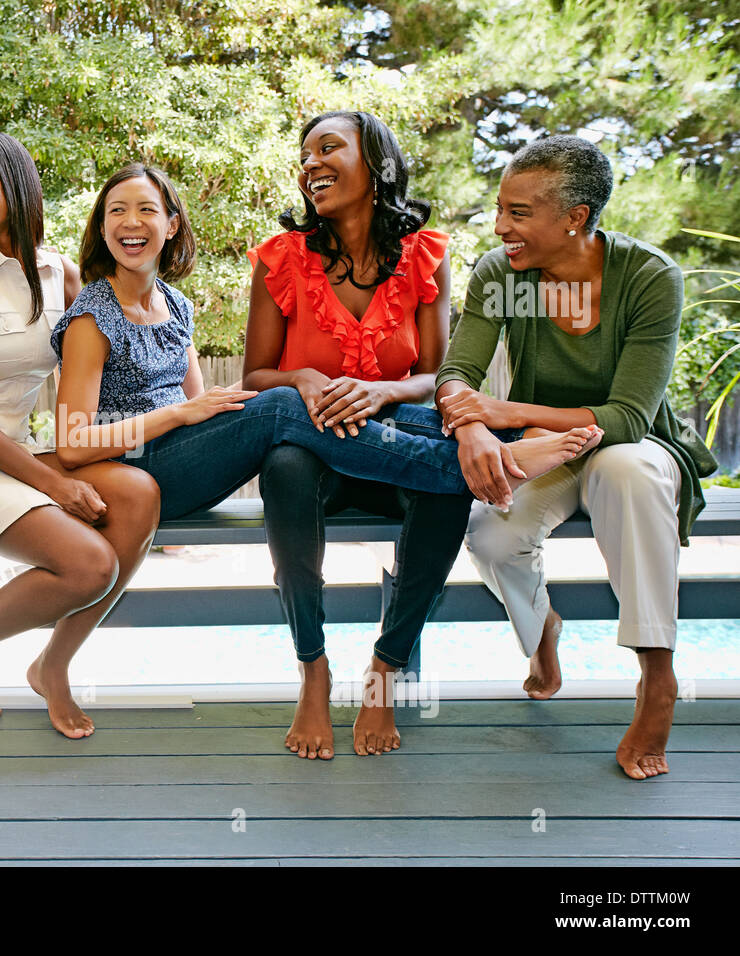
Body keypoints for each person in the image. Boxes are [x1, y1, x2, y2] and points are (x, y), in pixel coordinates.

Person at [52, 162, 602, 748]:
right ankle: (494, 457)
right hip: (136, 474)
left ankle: (495, 445)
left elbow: (208, 406)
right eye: (116, 211)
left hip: (186, 455)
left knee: (339, 409)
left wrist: (202, 414)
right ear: (100, 228)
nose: (130, 223)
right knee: (290, 400)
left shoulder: (172, 304)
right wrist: (183, 416)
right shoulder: (92, 315)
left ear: (172, 225)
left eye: (145, 210)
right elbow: (72, 442)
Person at [435, 134, 718, 781]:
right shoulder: (504, 274)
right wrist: (471, 429)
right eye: (500, 209)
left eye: (519, 213)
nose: (501, 226)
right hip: (544, 451)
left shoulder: (647, 278)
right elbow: (457, 372)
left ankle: (657, 676)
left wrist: (504, 415)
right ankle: (540, 635)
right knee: (492, 533)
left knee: (624, 470)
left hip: (633, 444)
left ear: (575, 218)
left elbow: (628, 417)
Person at [0, 132, 161, 740]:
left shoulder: (62, 274)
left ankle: (53, 663)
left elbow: (103, 365)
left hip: (12, 455)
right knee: (88, 563)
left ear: (16, 179)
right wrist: (56, 485)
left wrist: (176, 413)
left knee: (138, 493)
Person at [244, 110, 465, 760]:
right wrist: (306, 378)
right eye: (305, 153)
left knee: (445, 477)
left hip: (395, 448)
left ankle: (385, 669)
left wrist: (382, 391)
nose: (311, 163)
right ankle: (313, 670)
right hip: (318, 455)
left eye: (329, 148)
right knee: (284, 464)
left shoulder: (425, 255)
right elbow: (257, 374)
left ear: (376, 162)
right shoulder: (279, 259)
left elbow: (436, 375)